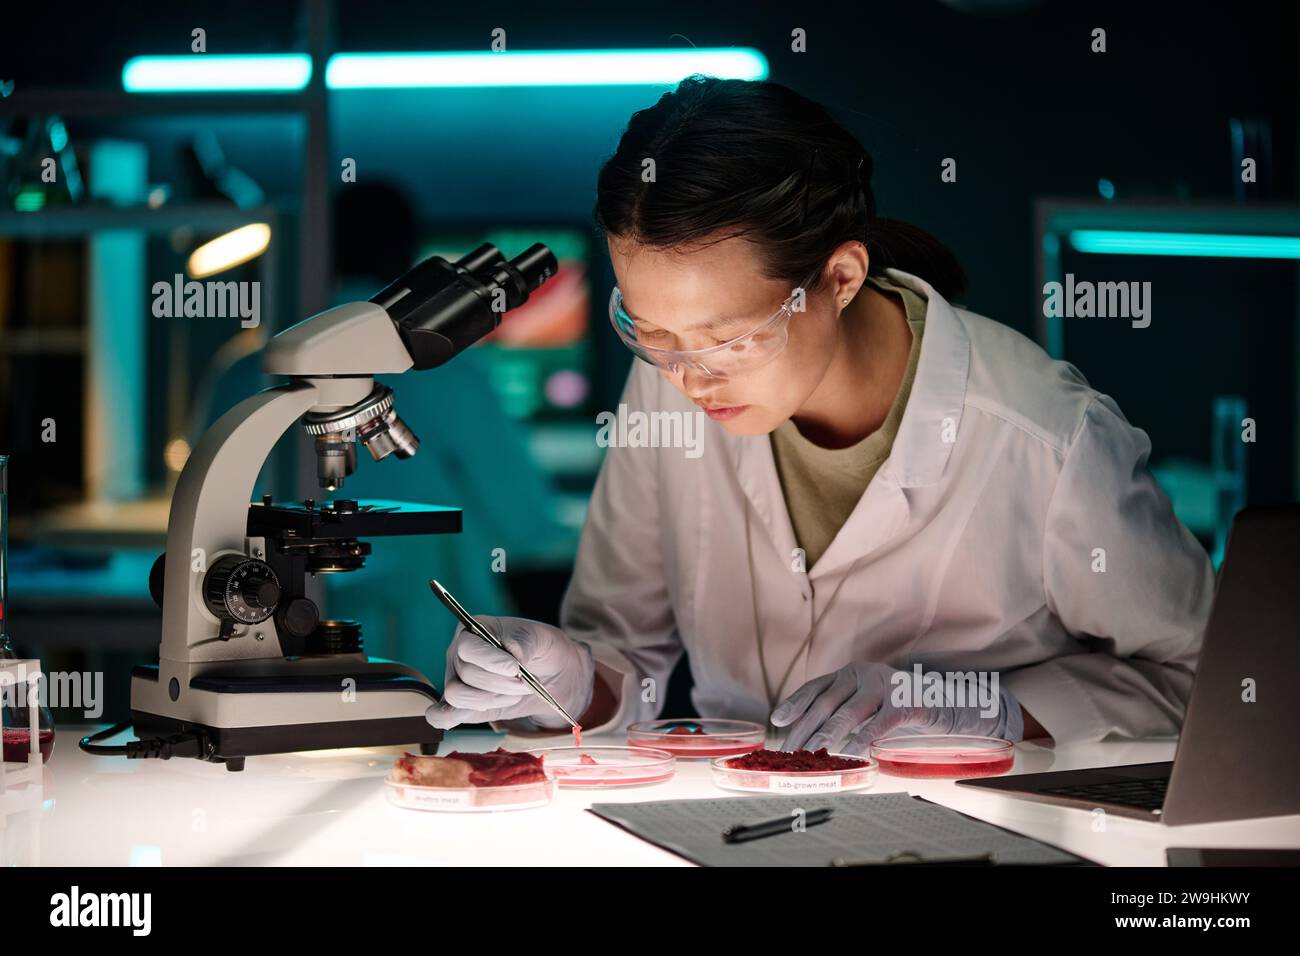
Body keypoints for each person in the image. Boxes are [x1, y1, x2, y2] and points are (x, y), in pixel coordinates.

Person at [425, 76, 1214, 752]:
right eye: (651, 332)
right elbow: (625, 662)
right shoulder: (667, 381)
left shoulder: (1044, 436)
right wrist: (563, 680)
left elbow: (1201, 677)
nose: (691, 379)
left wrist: (990, 708)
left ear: (839, 276)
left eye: (731, 339)